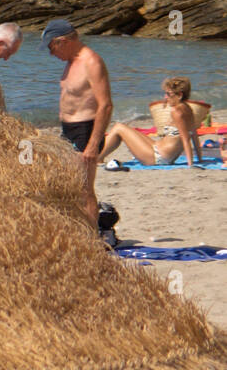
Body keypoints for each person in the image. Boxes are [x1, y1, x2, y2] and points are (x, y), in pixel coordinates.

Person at [42, 19, 111, 225]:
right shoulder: (71, 62)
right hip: (68, 130)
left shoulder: (92, 62)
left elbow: (106, 105)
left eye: (51, 47)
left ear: (62, 41)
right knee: (68, 186)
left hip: (86, 130)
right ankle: (80, 231)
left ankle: (91, 240)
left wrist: (92, 144)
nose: (51, 53)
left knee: (84, 190)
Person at [101, 77, 204, 169]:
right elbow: (194, 135)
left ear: (180, 95)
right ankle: (98, 157)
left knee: (119, 127)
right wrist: (200, 160)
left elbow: (186, 139)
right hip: (160, 150)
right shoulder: (188, 109)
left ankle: (97, 158)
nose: (165, 97)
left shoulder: (176, 112)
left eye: (168, 94)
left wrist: (190, 165)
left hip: (157, 158)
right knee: (126, 129)